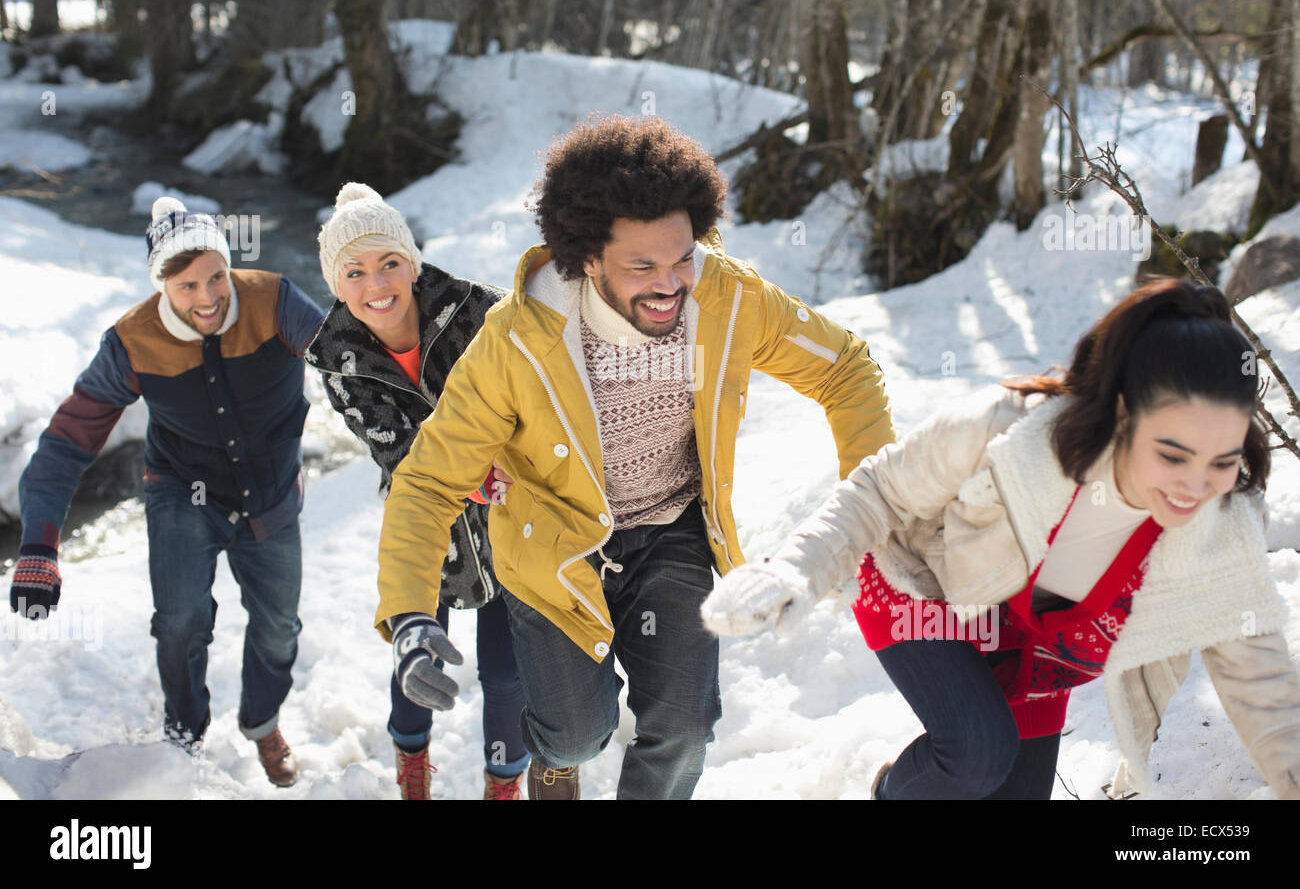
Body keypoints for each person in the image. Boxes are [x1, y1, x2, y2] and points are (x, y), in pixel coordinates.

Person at [372, 114, 896, 799]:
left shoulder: (727, 297)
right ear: (587, 258)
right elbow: (428, 480)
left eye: (682, 256)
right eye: (642, 265)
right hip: (552, 545)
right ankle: (554, 757)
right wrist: (410, 617)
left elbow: (845, 367)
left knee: (684, 732)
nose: (671, 283)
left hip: (672, 531)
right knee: (576, 732)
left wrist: (873, 510)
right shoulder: (517, 341)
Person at [702, 277, 1300, 799]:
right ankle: (892, 791)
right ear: (1123, 415)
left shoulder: (1218, 530)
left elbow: (1264, 687)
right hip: (924, 592)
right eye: (1173, 454)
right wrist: (797, 570)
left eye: (1222, 460)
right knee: (976, 756)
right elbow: (880, 487)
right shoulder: (1010, 430)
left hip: (1039, 651)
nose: (1197, 486)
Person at [12, 196, 324, 786]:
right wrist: (39, 544)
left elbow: (345, 359)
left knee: (279, 626)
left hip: (273, 491)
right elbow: (66, 441)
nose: (207, 297)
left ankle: (262, 723)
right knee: (180, 620)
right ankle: (184, 731)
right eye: (186, 286)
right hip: (184, 492)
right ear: (162, 286)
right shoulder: (133, 341)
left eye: (216, 277)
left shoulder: (276, 300)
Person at [305, 183, 528, 800]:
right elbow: (395, 446)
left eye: (389, 263)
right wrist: (471, 472)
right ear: (336, 283)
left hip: (510, 513)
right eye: (355, 271)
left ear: (412, 262)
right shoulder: (336, 358)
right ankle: (412, 762)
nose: (376, 283)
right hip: (424, 522)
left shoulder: (478, 309)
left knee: (509, 673)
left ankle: (504, 782)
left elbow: (530, 397)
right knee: (416, 659)